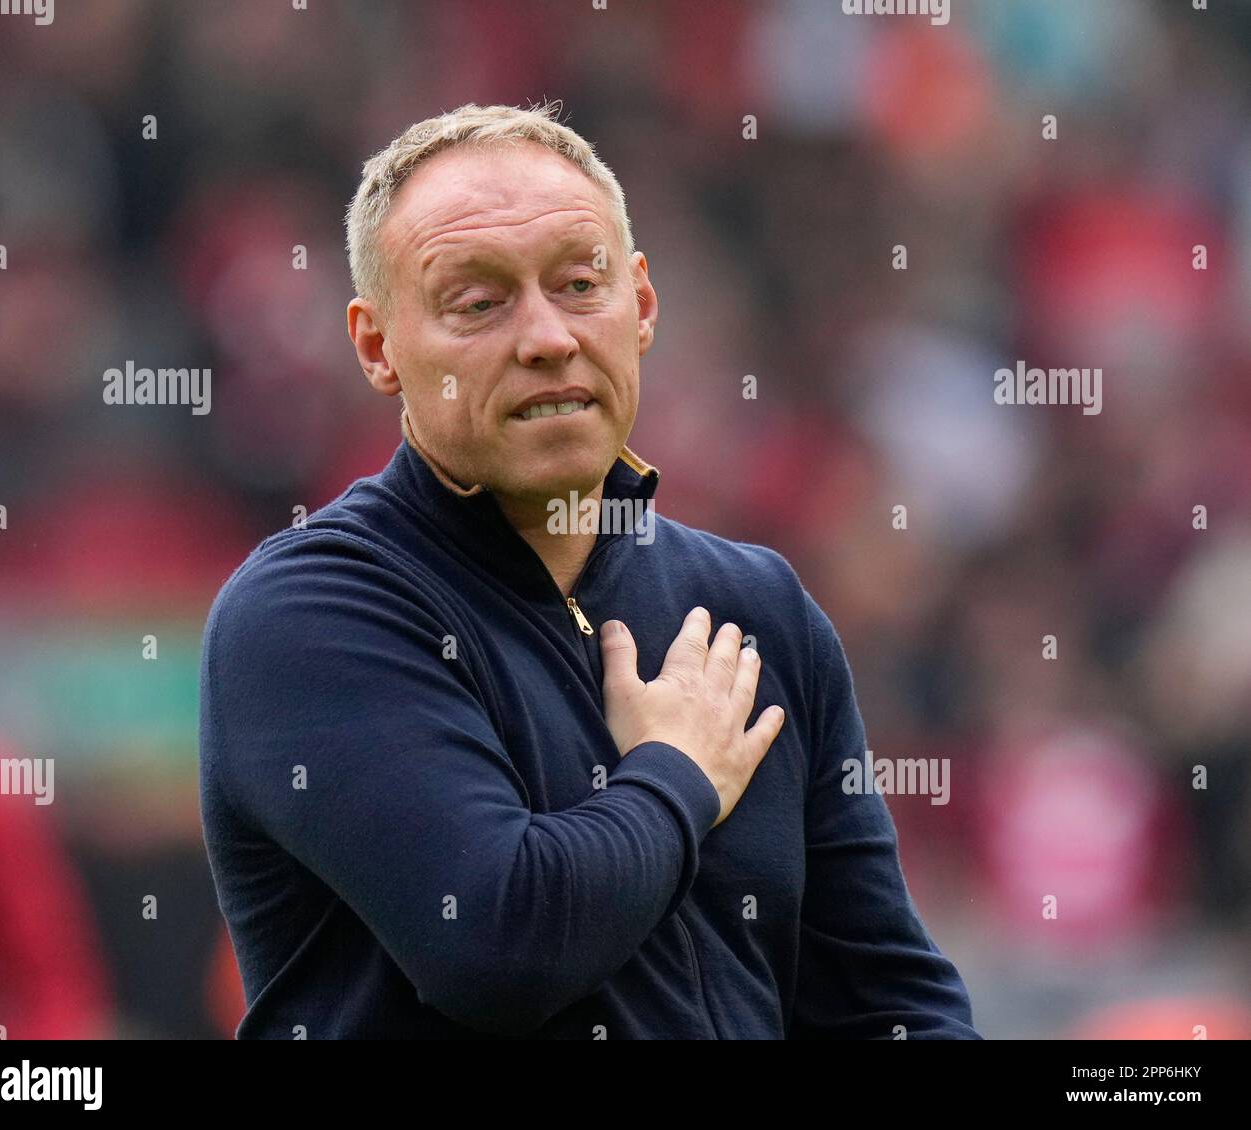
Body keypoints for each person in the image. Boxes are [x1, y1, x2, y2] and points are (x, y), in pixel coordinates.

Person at [198, 101, 980, 1039]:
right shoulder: (309, 615)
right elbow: (498, 942)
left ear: (640, 307)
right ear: (378, 347)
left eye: (578, 285)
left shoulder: (756, 607)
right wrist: (675, 776)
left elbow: (886, 1002)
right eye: (478, 303)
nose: (547, 337)